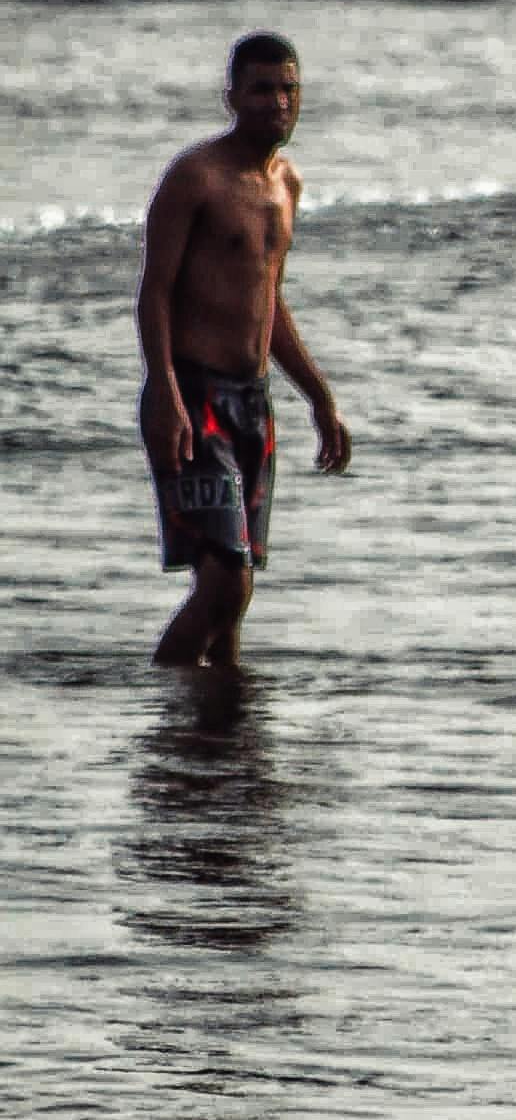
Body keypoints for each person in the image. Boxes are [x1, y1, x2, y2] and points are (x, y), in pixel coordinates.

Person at [135, 33, 350, 670]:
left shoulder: (287, 184)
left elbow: (269, 303)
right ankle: (160, 702)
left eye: (288, 89)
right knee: (227, 583)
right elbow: (154, 295)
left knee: (235, 594)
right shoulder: (196, 177)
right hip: (194, 396)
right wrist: (166, 393)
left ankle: (223, 745)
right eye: (261, 89)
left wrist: (319, 398)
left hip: (251, 402)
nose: (277, 102)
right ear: (232, 96)